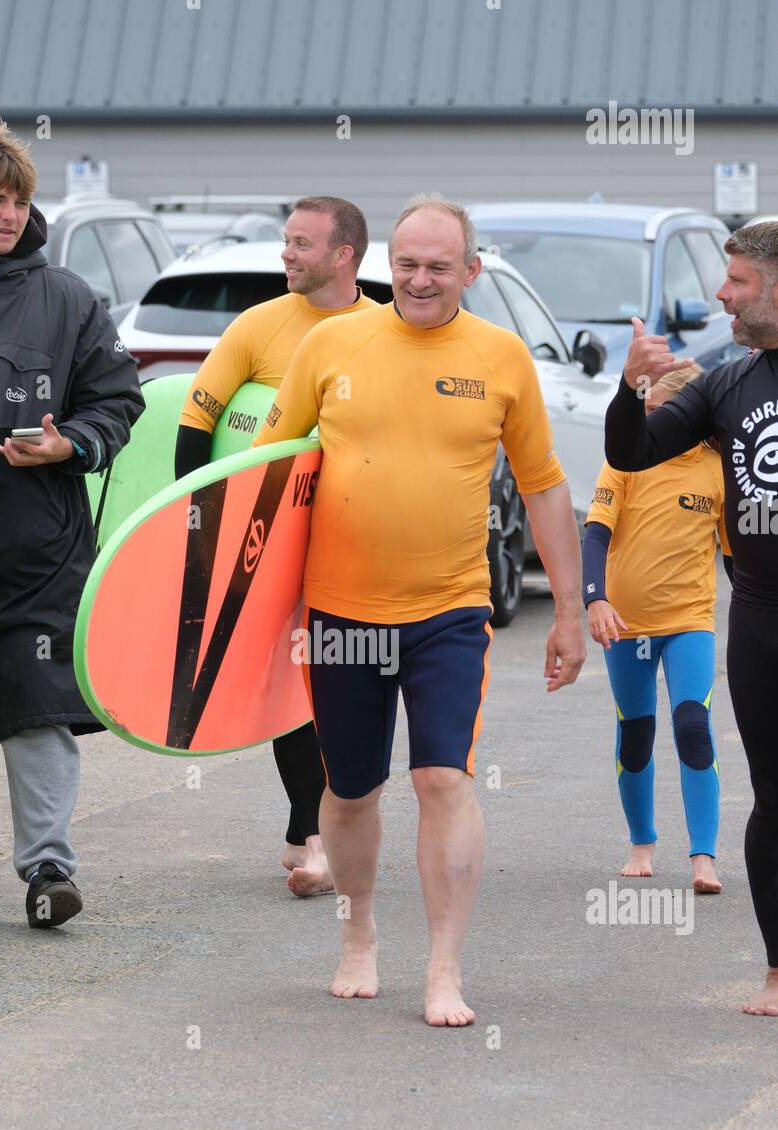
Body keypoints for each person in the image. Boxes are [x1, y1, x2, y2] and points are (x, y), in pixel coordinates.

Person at [253, 194, 585, 1026]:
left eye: (440, 266)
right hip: (340, 614)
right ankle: (359, 931)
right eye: (407, 263)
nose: (420, 279)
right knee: (352, 789)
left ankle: (444, 969)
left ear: (471, 270)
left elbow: (544, 488)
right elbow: (267, 478)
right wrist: (247, 611)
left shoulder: (502, 358)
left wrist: (572, 615)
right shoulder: (331, 343)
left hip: (448, 611)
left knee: (442, 778)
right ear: (383, 263)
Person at [0, 119, 144, 929]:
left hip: (34, 551)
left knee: (38, 711)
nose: (9, 214)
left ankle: (48, 869)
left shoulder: (67, 299)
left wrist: (70, 443)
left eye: (20, 202)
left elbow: (118, 401)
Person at [176, 196, 375, 898]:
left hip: (357, 537)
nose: (285, 254)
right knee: (295, 679)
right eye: (285, 241)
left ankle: (306, 829)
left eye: (300, 243)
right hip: (268, 535)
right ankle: (315, 835)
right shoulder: (258, 325)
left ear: (343, 254)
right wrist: (206, 532)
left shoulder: (382, 329)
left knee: (342, 683)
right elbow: (194, 425)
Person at [604, 220, 778, 1016]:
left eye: (737, 280)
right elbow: (634, 452)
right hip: (760, 615)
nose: (720, 293)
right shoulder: (726, 382)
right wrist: (628, 387)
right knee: (773, 800)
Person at [584, 363, 729, 891]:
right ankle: (642, 842)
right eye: (648, 413)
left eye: (663, 413)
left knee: (693, 726)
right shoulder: (626, 460)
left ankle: (703, 856)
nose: (652, 423)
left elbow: (738, 558)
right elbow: (595, 535)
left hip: (690, 619)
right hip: (627, 624)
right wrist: (594, 600)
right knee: (637, 732)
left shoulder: (717, 467)